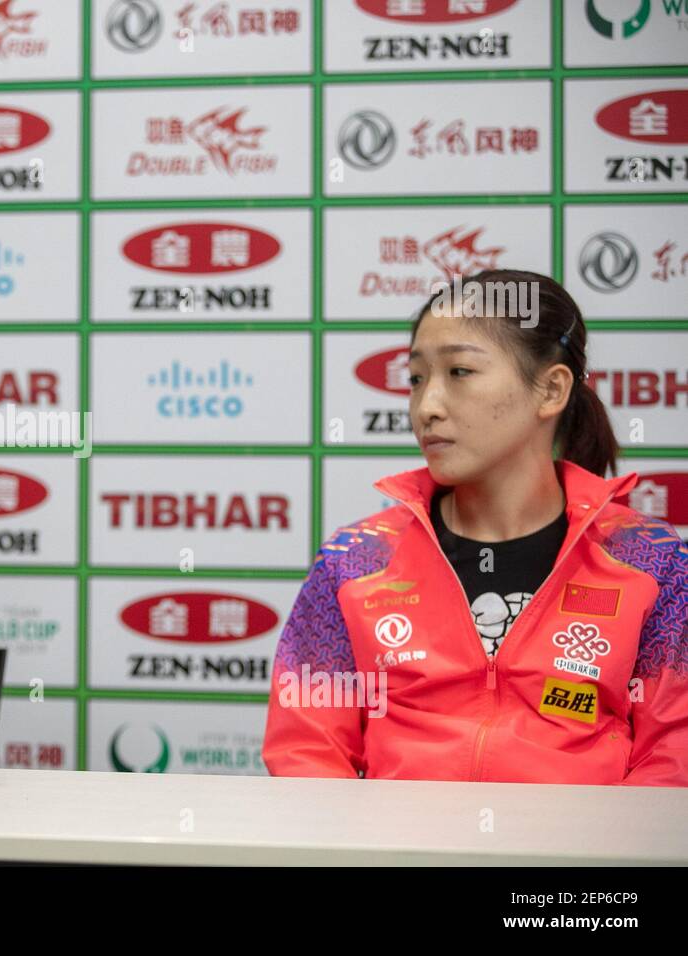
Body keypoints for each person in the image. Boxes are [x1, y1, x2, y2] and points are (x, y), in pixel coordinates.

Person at [263, 270, 688, 785]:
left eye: (459, 371)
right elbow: (306, 748)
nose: (426, 407)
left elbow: (674, 753)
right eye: (416, 379)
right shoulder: (356, 559)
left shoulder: (650, 560)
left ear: (551, 389)